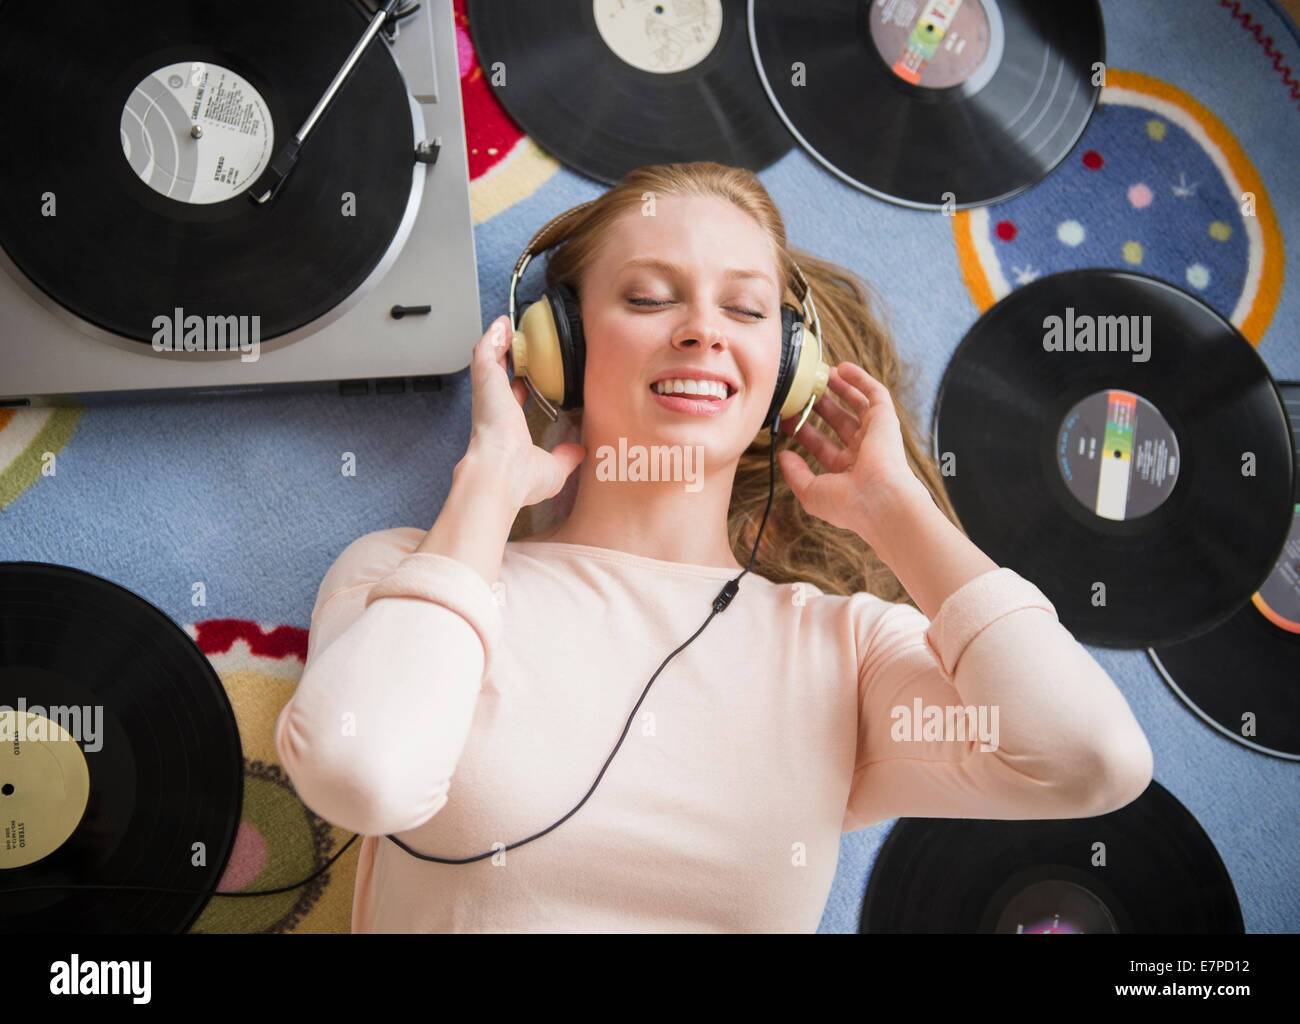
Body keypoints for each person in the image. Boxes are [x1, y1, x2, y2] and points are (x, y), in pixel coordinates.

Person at [274, 161, 1153, 933]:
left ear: (787, 369)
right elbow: (361, 774)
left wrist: (897, 513)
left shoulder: (844, 652)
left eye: (745, 308)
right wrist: (488, 484)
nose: (704, 329)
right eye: (651, 298)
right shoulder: (415, 578)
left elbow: (1091, 760)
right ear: (558, 347)